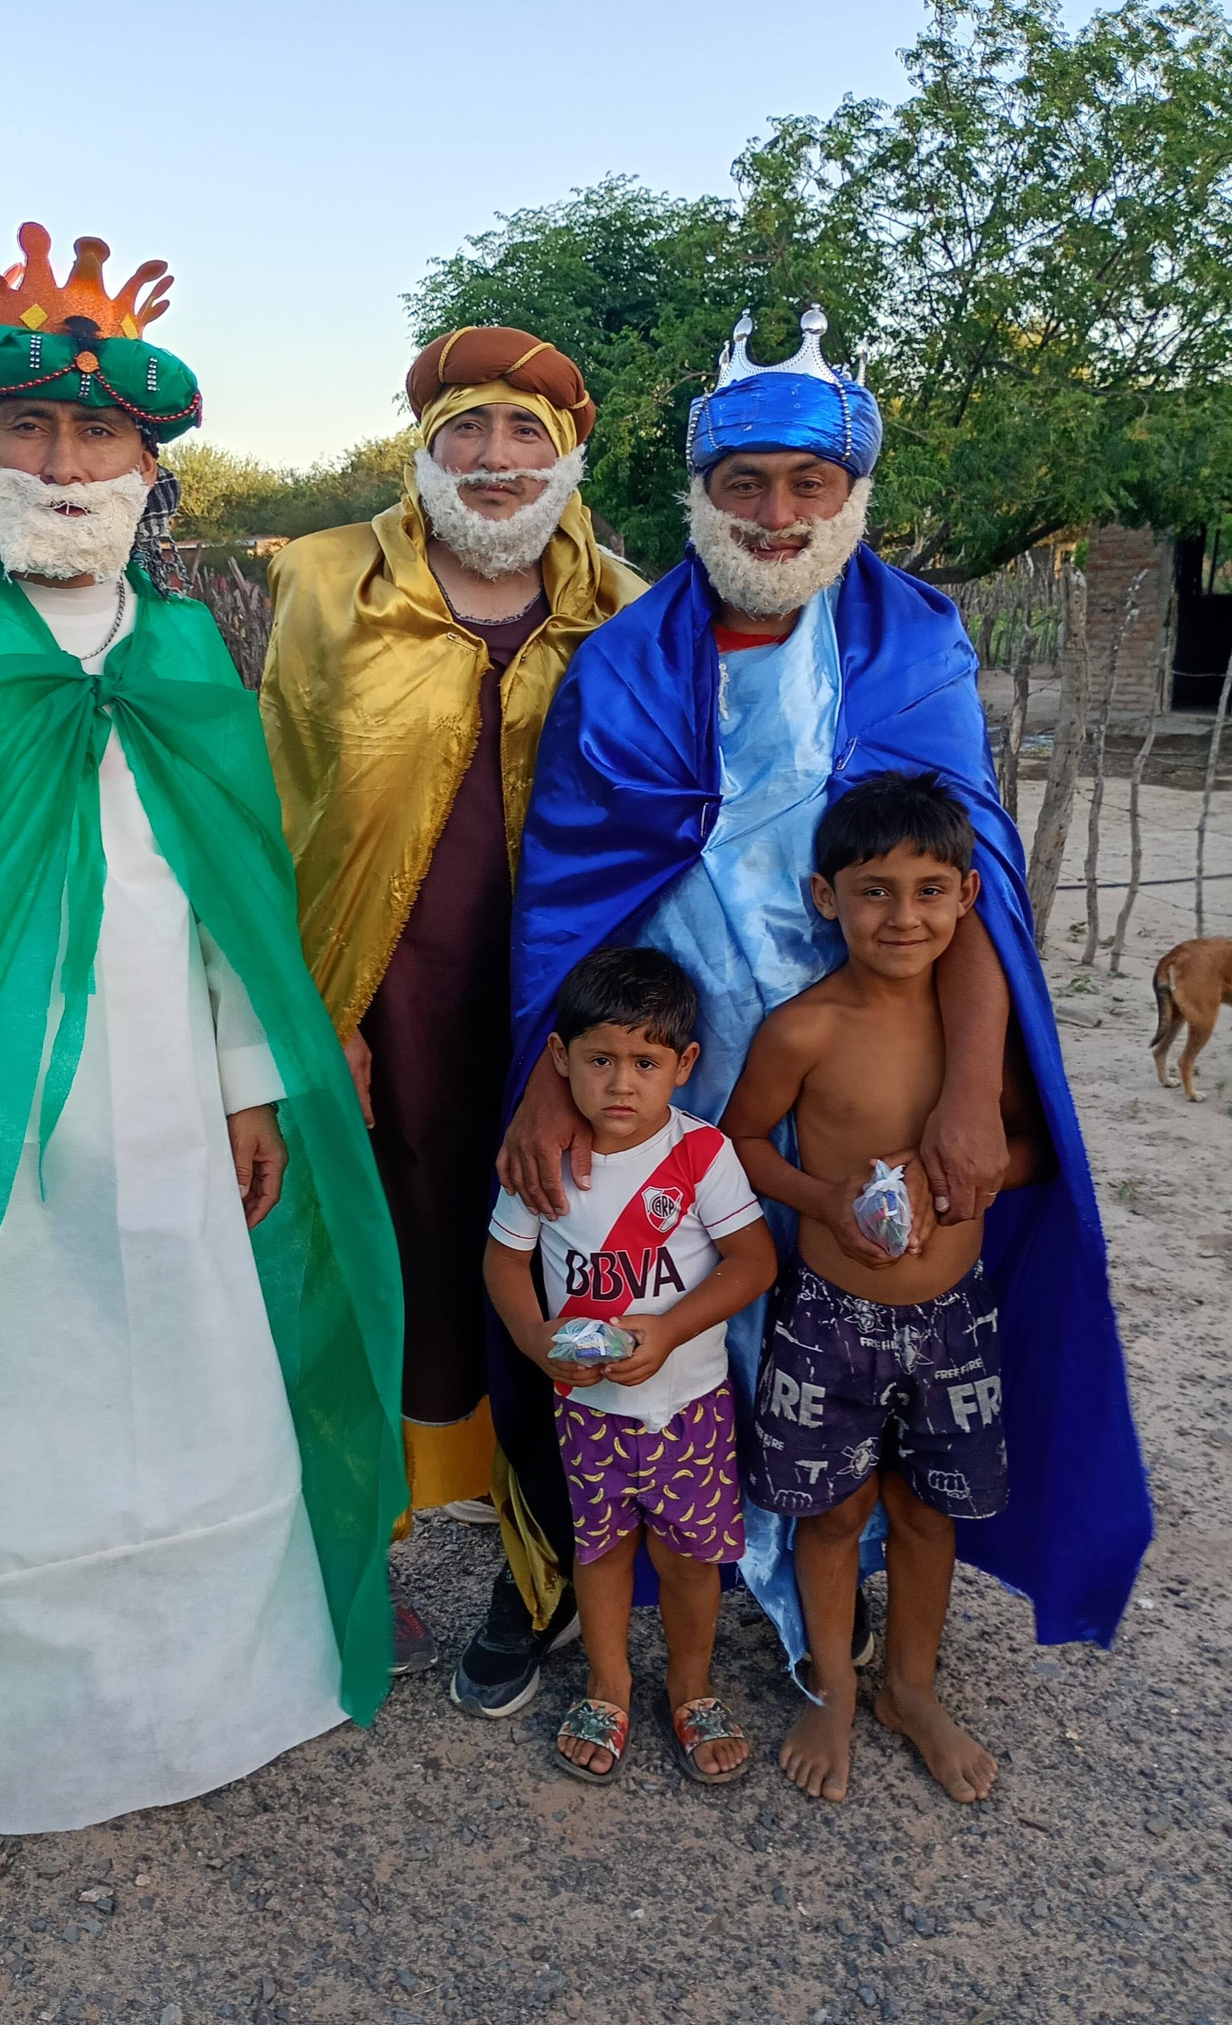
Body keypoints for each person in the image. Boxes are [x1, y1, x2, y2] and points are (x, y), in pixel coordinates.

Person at [0, 223, 405, 1998]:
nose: (58, 462)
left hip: (164, 1099)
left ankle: (184, 1679)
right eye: (27, 429)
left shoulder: (185, 651)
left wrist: (254, 1074)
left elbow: (228, 893)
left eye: (92, 437)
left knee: (168, 1365)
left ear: (145, 466)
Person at [486, 302, 1151, 1707]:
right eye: (744, 483)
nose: (776, 512)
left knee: (857, 1303)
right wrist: (558, 1074)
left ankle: (825, 1587)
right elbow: (568, 907)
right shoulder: (615, 670)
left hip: (875, 1068)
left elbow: (965, 892)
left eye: (808, 484)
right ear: (699, 493)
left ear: (851, 494)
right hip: (672, 1071)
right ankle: (719, 1560)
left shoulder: (913, 645)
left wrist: (971, 1092)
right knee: (702, 1302)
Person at [261, 326, 645, 1685]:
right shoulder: (325, 585)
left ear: (567, 459)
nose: (492, 463)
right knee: (364, 1267)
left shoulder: (622, 607)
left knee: (553, 1263)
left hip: (553, 1018)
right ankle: (343, 1556)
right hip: (381, 1007)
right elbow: (280, 801)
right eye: (464, 434)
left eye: (522, 436)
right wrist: (322, 1014)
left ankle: (532, 1576)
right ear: (421, 451)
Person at [725, 774, 1043, 1802]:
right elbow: (736, 1142)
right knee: (829, 1512)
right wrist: (825, 1198)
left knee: (926, 1512)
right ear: (825, 896)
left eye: (928, 889)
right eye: (873, 889)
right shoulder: (803, 1029)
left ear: (964, 898)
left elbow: (1039, 1151)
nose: (902, 915)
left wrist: (964, 1169)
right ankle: (833, 1687)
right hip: (828, 1320)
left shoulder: (985, 1043)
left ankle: (911, 1684)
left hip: (955, 1321)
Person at [486, 948, 776, 1784]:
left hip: (689, 1407)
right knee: (602, 1549)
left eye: (645, 1063)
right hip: (589, 1411)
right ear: (560, 1060)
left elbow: (753, 1264)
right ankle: (608, 1684)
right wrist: (537, 1340)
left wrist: (671, 1327)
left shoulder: (704, 1155)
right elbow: (504, 1264)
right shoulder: (542, 1163)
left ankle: (691, 1684)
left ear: (683, 1066)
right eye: (600, 1059)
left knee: (690, 1559)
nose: (621, 1083)